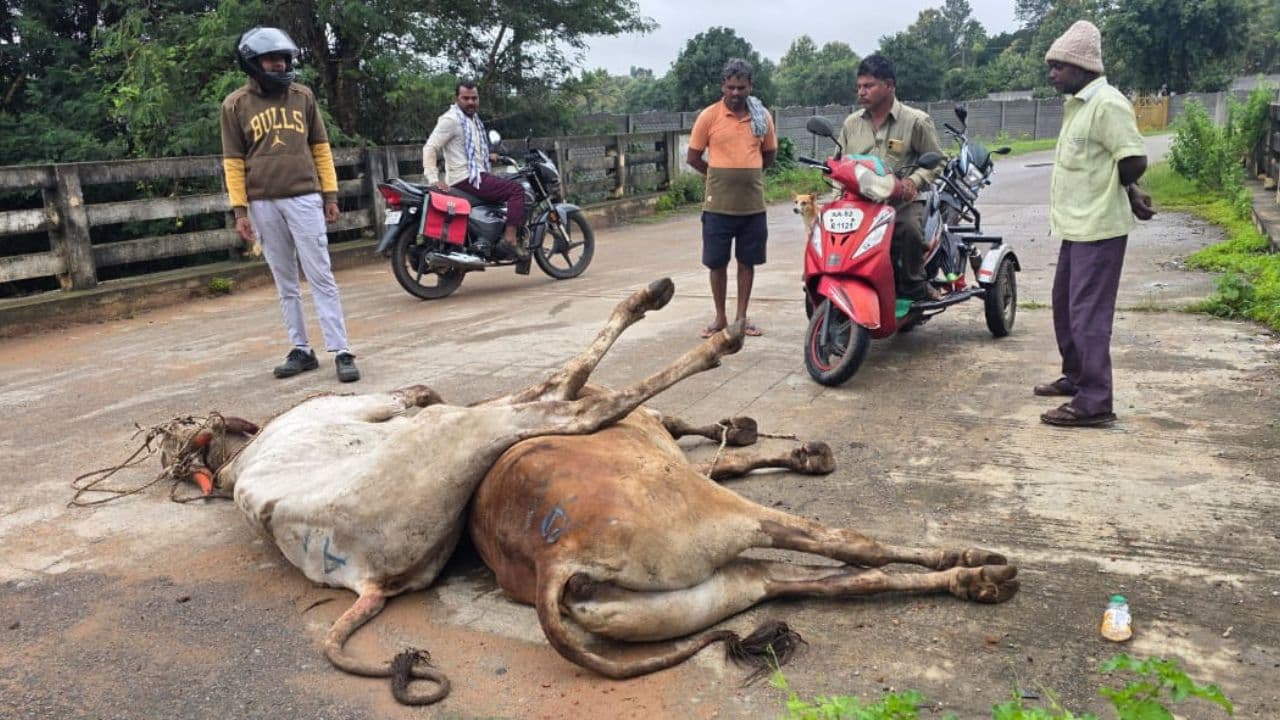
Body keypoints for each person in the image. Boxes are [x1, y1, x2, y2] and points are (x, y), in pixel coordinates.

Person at [220, 27, 360, 383]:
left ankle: (341, 350)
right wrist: (240, 210)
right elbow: (233, 161)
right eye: (272, 59)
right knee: (285, 281)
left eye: (284, 59)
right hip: (263, 202)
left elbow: (321, 150)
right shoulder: (235, 105)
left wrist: (330, 194)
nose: (280, 65)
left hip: (304, 197)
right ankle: (301, 349)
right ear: (253, 63)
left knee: (321, 275)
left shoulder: (303, 97)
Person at [1036, 20, 1155, 427]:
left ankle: (1095, 402)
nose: (1051, 74)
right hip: (1076, 227)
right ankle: (1076, 377)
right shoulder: (1079, 105)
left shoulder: (1107, 104)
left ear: (1081, 65)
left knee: (1088, 315)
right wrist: (1132, 189)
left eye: (1057, 67)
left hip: (1100, 228)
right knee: (1064, 306)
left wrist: (1128, 187)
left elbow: (1133, 158)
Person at [835, 53, 944, 301]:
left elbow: (937, 159)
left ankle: (916, 285)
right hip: (859, 202)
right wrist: (832, 200)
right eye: (859, 86)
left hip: (900, 201)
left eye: (869, 86)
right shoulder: (851, 123)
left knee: (908, 232)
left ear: (890, 85)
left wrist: (913, 181)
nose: (861, 92)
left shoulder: (916, 121)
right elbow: (838, 166)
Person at [686, 58, 777, 338]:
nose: (735, 93)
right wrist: (718, 176)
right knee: (716, 262)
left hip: (752, 206)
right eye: (730, 87)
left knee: (747, 262)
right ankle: (720, 317)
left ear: (750, 86)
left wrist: (746, 173)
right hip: (718, 206)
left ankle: (741, 317)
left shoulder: (762, 118)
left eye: (741, 87)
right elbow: (693, 157)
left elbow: (769, 154)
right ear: (722, 87)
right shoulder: (709, 116)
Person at [422, 81, 528, 264]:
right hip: (466, 179)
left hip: (473, 175)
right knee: (516, 190)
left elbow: (467, 152)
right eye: (466, 98)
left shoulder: (473, 121)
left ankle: (487, 239)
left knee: (501, 190)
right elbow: (430, 148)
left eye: (474, 98)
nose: (471, 102)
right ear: (457, 99)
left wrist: (489, 156)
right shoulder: (451, 120)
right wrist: (433, 178)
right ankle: (510, 238)